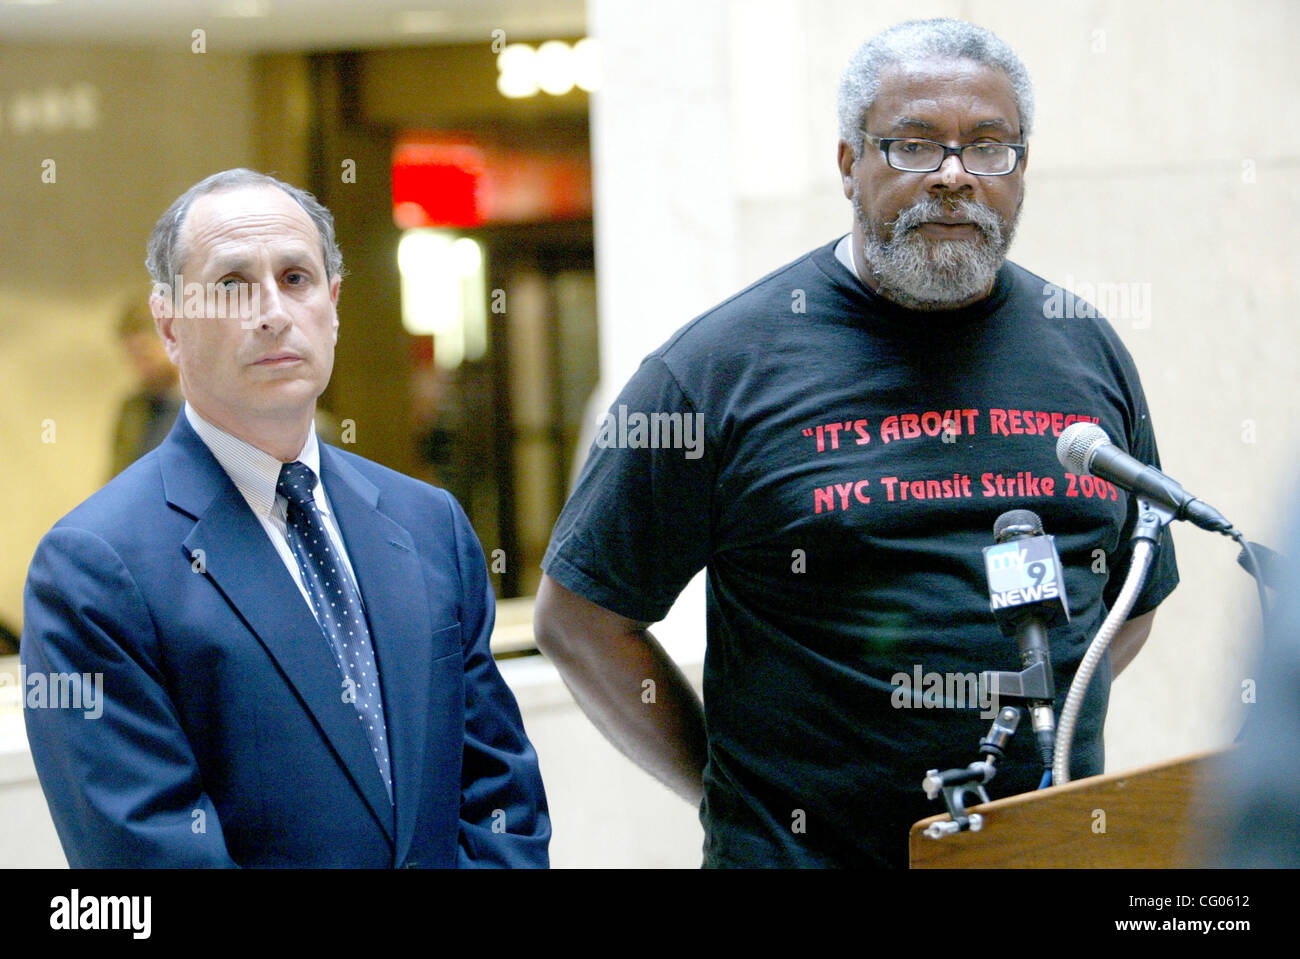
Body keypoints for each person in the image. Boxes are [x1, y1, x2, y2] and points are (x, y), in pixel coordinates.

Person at [534, 18, 1178, 868]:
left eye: (990, 147)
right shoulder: (717, 368)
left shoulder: (1084, 346)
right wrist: (734, 794)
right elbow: (579, 620)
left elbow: (1133, 593)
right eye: (914, 145)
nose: (954, 177)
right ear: (848, 163)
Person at [21, 169, 550, 867]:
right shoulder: (92, 566)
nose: (271, 310)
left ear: (332, 303)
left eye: (296, 278)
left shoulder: (430, 524)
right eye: (233, 283)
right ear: (169, 323)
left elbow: (499, 792)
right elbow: (153, 853)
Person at [108, 296, 183, 479]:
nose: (141, 367)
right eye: (133, 357)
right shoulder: (133, 409)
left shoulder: (214, 406)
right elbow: (117, 479)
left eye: (145, 353)